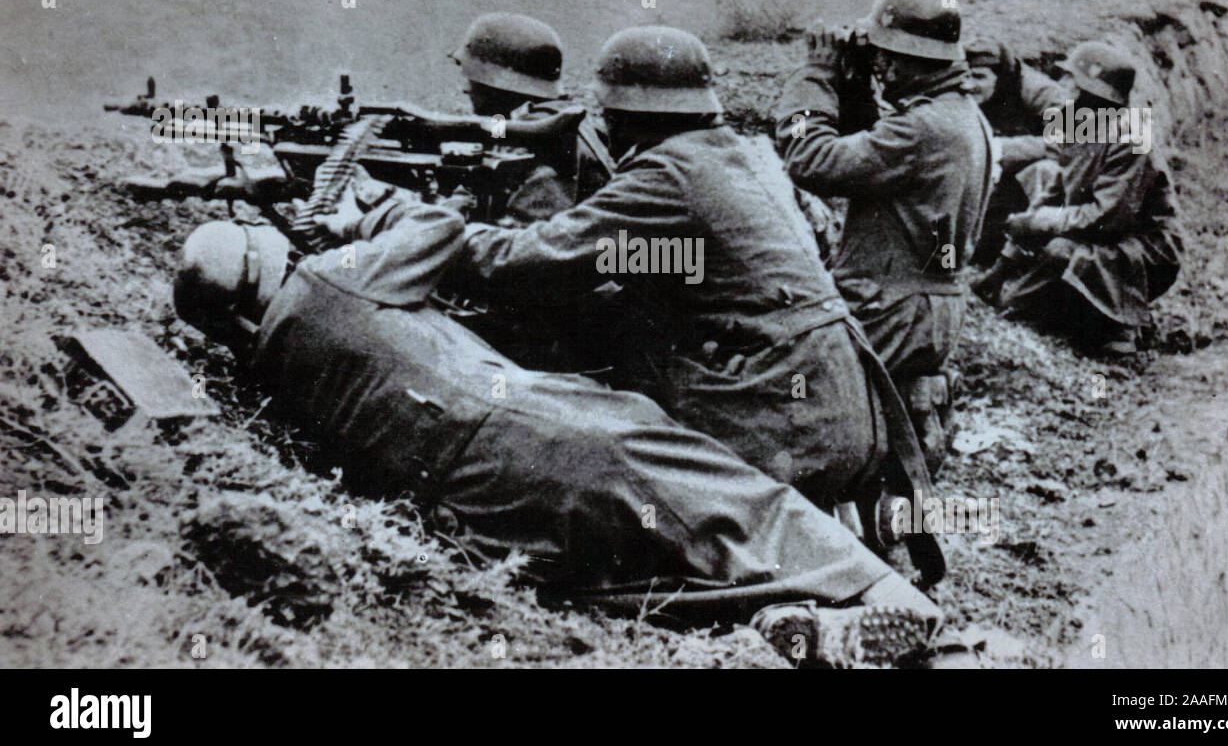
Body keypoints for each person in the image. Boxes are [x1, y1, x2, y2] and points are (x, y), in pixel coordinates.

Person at [171, 192, 949, 667]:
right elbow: (439, 227)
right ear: (257, 260)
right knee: (723, 490)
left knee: (621, 574)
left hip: (467, 508)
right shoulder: (321, 279)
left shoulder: (270, 362)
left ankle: (786, 623)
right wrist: (371, 213)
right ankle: (886, 597)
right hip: (525, 430)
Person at [459, 26, 937, 538]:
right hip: (837, 409)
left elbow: (522, 259)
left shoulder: (668, 175)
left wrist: (432, 226)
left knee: (591, 483)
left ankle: (784, 555)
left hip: (783, 417)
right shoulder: (728, 154)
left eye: (608, 115)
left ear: (625, 116)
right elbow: (649, 262)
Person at [774, 0, 994, 485]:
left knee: (801, 402)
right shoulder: (959, 117)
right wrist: (852, 90)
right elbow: (873, 156)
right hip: (926, 305)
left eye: (885, 59)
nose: (880, 70)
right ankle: (891, 531)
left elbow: (809, 159)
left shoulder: (924, 128)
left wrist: (816, 75)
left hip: (891, 306)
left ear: (908, 60)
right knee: (882, 424)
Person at [978, 42, 1182, 354]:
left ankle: (1119, 325)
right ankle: (1082, 314)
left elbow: (1106, 219)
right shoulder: (1081, 125)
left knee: (1060, 253)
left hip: (1141, 250)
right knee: (1013, 302)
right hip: (1095, 237)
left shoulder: (1131, 140)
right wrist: (1003, 265)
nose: (1064, 89)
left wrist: (1044, 222)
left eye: (1073, 83)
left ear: (1096, 95)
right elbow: (1057, 189)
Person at [453, 12, 613, 222]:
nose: (466, 89)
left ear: (499, 84)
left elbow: (529, 235)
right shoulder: (557, 121)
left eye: (473, 78)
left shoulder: (543, 137)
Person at [963, 38, 1072, 265]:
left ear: (1001, 77)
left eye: (980, 77)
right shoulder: (960, 91)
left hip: (1036, 184)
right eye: (966, 76)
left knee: (1046, 171)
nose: (970, 85)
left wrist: (1003, 148)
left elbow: (1073, 142)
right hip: (995, 179)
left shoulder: (1040, 92)